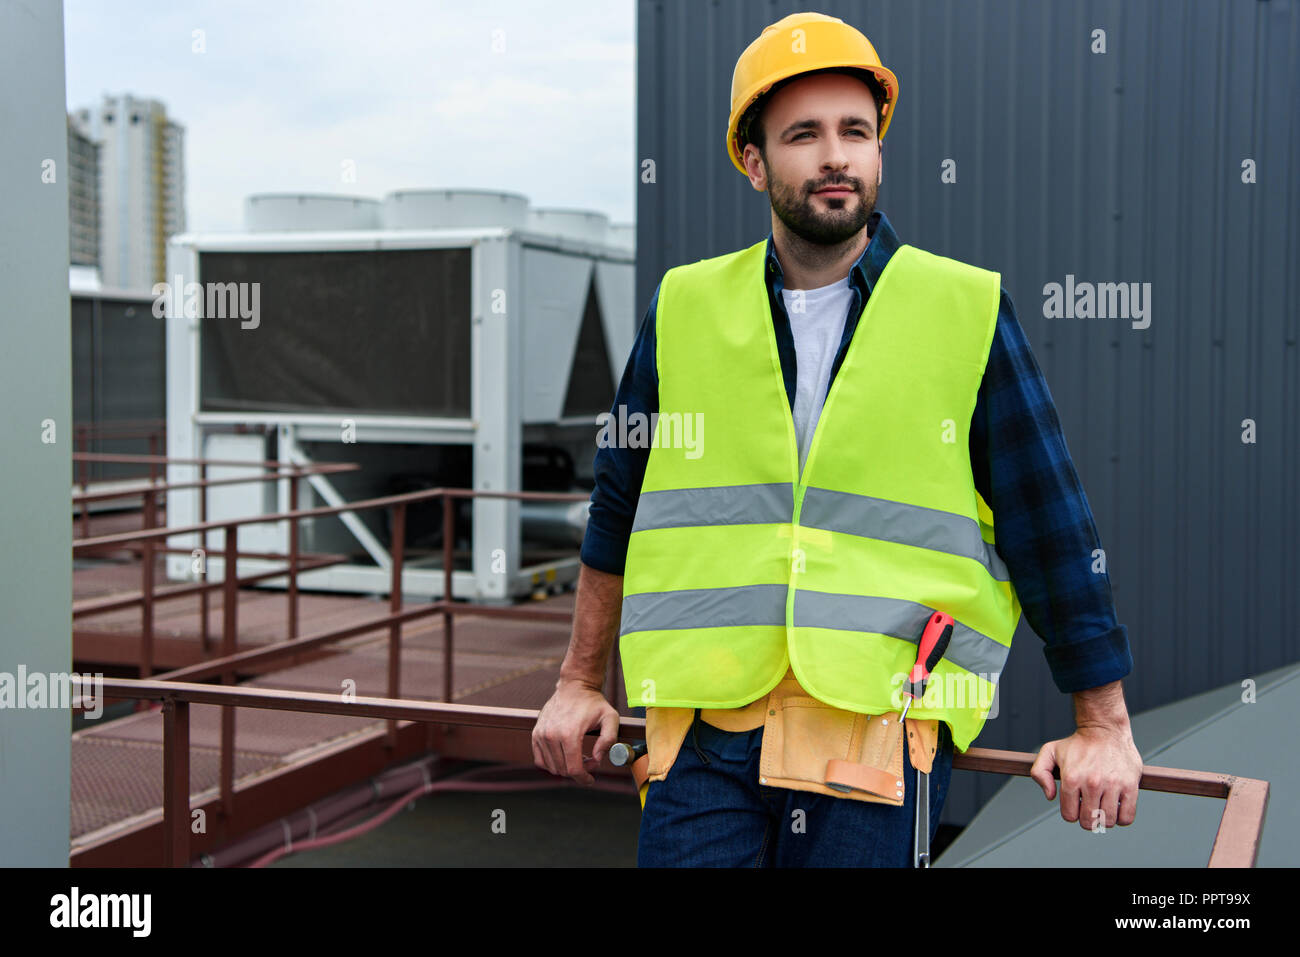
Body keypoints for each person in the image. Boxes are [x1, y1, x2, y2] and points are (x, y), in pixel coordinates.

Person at [532, 11, 1142, 867]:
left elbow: (1050, 525)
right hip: (704, 733)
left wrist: (1101, 721)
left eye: (857, 131)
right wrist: (576, 683)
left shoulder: (961, 310)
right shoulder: (684, 308)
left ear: (880, 152)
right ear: (755, 161)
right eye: (803, 135)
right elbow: (617, 506)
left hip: (881, 730)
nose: (835, 156)